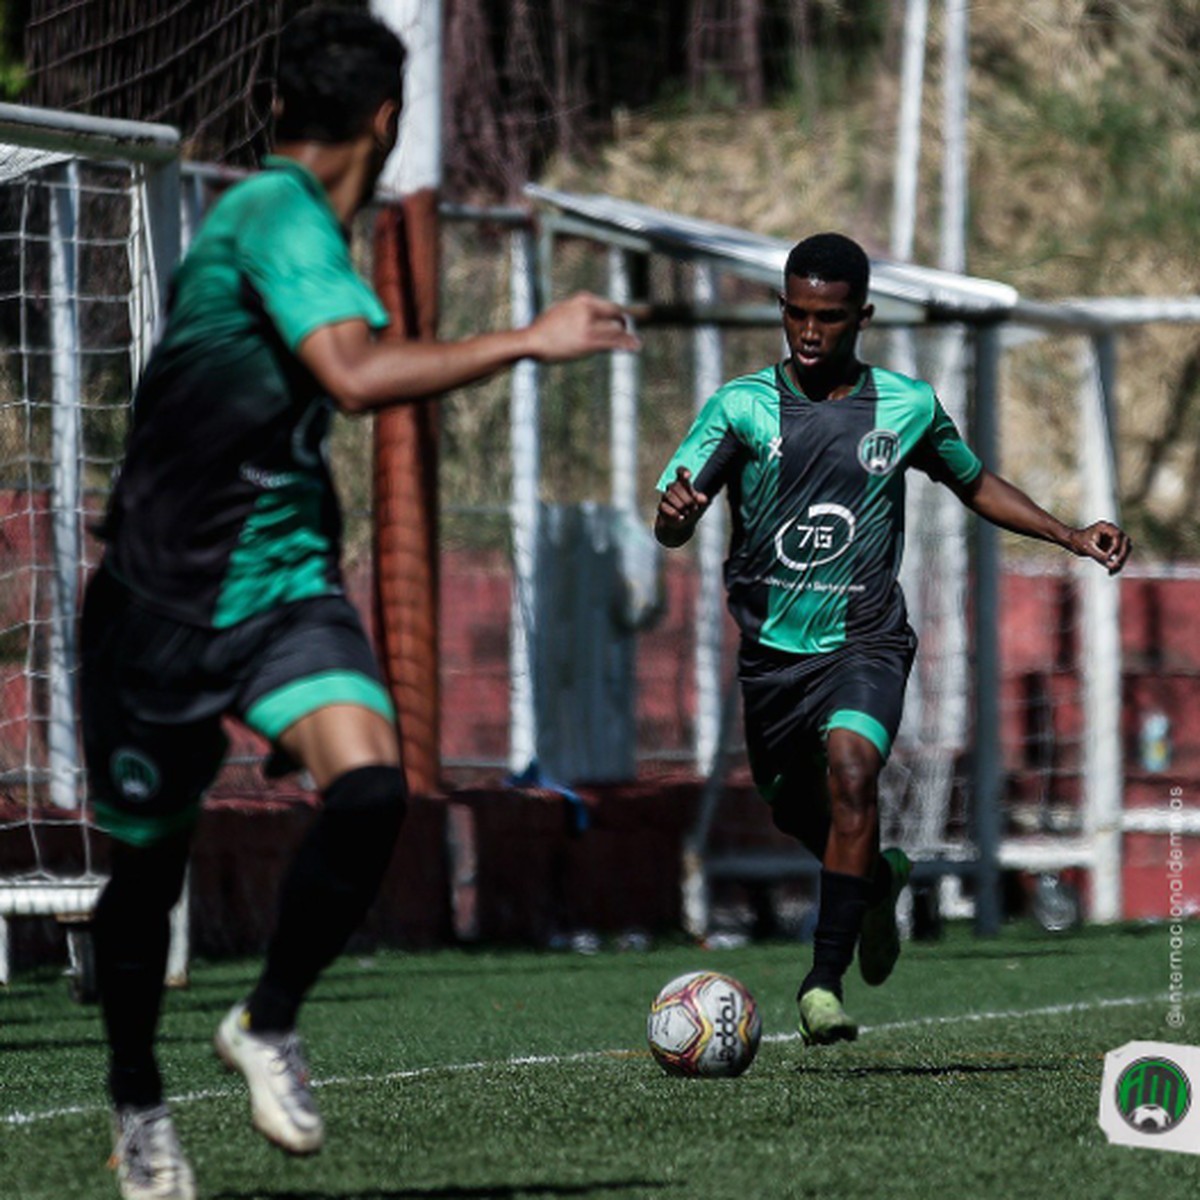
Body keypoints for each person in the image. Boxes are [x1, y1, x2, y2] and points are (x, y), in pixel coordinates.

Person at [84, 9, 638, 1200]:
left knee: (376, 785)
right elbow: (354, 374)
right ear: (386, 121)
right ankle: (136, 1100)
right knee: (144, 882)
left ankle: (266, 1020)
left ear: (280, 103)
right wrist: (530, 341)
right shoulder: (274, 216)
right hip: (158, 607)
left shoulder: (302, 224)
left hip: (282, 586)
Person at [654, 231, 1130, 1047]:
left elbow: (972, 479)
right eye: (796, 314)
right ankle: (875, 883)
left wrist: (1067, 532)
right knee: (798, 810)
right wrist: (673, 517)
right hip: (772, 658)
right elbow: (676, 502)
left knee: (853, 773)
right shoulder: (741, 407)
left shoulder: (905, 406)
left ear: (862, 316)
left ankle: (822, 983)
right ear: (782, 309)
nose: (809, 333)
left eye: (829, 318)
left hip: (864, 641)